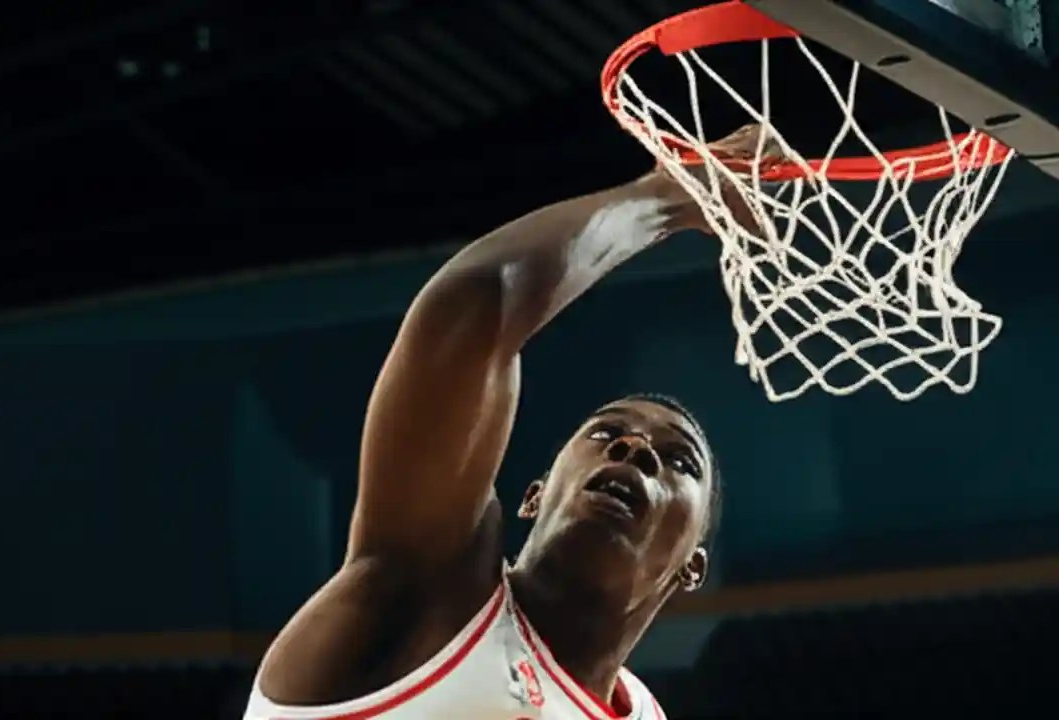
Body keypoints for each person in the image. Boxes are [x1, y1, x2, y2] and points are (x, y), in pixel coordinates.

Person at [243, 125, 770, 719]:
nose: (632, 449)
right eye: (605, 434)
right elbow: (476, 306)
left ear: (693, 565)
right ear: (533, 497)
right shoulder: (427, 591)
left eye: (679, 461)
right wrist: (667, 198)